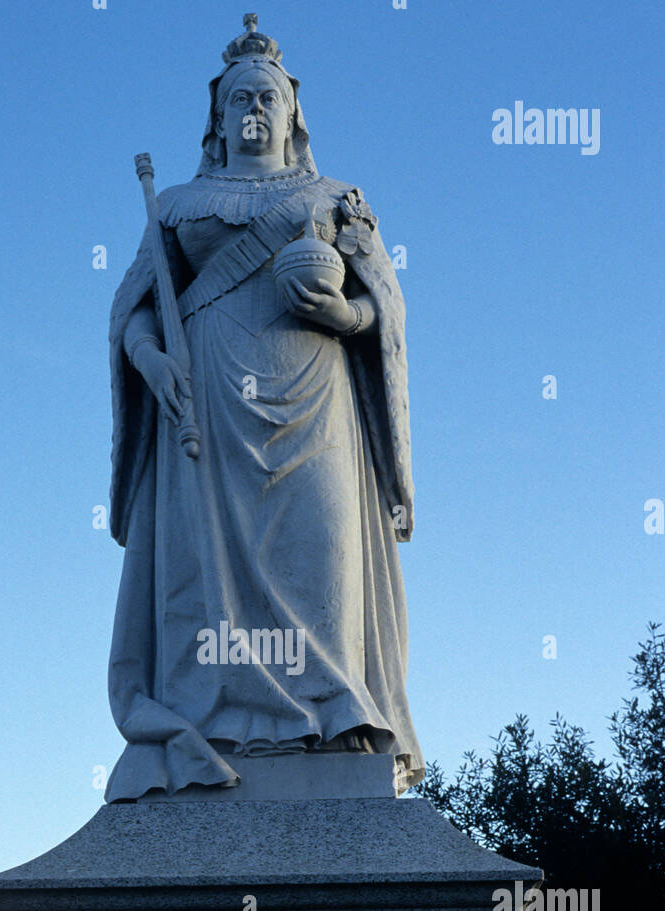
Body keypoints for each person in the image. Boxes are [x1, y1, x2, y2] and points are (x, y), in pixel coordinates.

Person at [106, 15, 425, 802]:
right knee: (201, 577)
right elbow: (139, 309)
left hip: (316, 408)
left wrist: (340, 314)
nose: (254, 107)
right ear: (216, 120)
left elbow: (384, 305)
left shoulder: (334, 198)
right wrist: (151, 362)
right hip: (206, 410)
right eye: (240, 97)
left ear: (291, 115)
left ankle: (337, 719)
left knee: (323, 557)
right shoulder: (177, 207)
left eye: (268, 97)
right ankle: (209, 720)